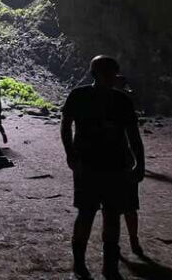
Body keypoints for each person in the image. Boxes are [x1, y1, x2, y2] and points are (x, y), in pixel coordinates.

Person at [61, 55, 145, 280]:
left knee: (110, 215)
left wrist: (140, 164)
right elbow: (65, 126)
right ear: (96, 74)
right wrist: (70, 154)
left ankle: (109, 265)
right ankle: (80, 263)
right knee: (87, 214)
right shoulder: (80, 96)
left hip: (114, 165)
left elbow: (134, 136)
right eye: (108, 73)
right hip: (89, 164)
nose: (112, 77)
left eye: (113, 73)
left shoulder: (120, 100)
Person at [114, 75, 144, 257]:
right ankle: (115, 243)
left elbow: (133, 135)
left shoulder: (124, 100)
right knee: (116, 208)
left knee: (128, 206)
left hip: (123, 158)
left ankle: (133, 239)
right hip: (115, 159)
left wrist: (139, 163)